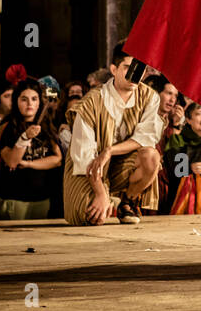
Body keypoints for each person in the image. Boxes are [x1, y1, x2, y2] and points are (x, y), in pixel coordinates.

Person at [62, 44, 162, 226]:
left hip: (121, 164)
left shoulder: (150, 97)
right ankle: (106, 196)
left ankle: (127, 200)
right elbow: (84, 156)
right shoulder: (90, 103)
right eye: (128, 67)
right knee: (92, 217)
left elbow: (145, 137)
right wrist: (100, 194)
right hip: (89, 168)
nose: (135, 74)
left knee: (151, 156)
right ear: (114, 69)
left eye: (140, 69)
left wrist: (109, 151)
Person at [0, 78, 63, 220]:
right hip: (15, 199)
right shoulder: (6, 128)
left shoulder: (46, 126)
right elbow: (12, 161)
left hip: (42, 198)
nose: (30, 103)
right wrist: (24, 137)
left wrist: (29, 164)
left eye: (34, 99)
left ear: (39, 102)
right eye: (24, 99)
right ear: (16, 101)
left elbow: (57, 159)